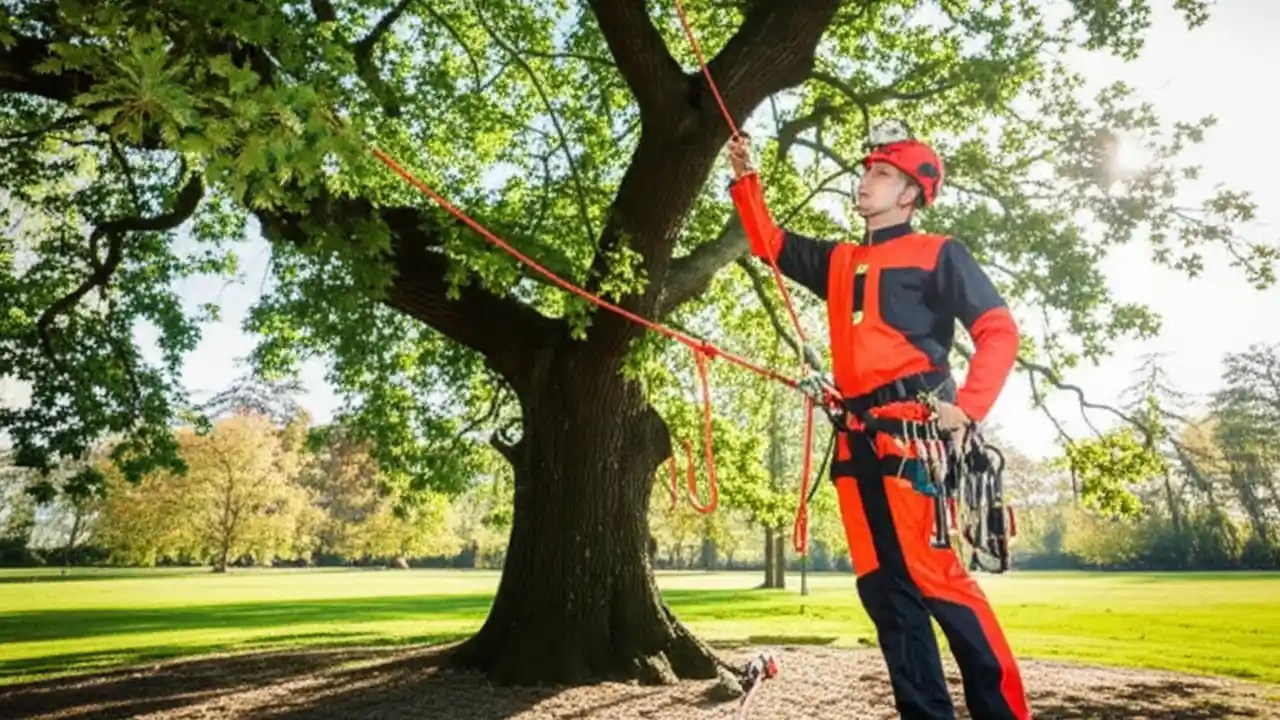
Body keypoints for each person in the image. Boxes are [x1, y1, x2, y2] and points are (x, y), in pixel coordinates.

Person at [725, 123, 1031, 720]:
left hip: (915, 442)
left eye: (882, 174)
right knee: (886, 595)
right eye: (866, 171)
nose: (866, 181)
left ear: (911, 194)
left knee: (939, 583)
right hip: (856, 446)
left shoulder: (939, 253)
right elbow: (768, 241)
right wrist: (745, 176)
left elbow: (999, 328)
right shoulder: (841, 261)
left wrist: (967, 408)